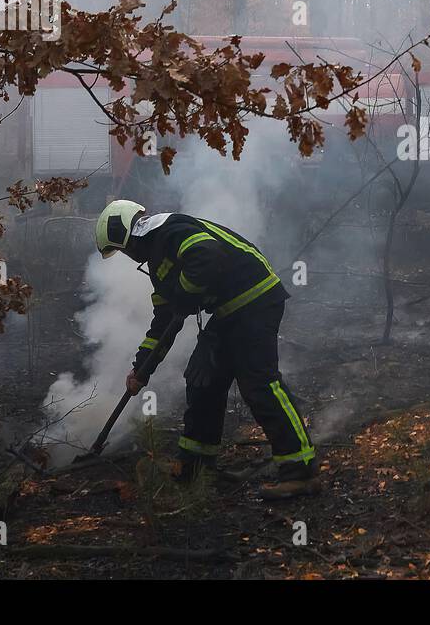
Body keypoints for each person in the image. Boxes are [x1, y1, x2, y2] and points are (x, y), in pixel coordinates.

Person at [94, 200, 319, 498]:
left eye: (122, 249)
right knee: (203, 380)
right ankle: (196, 468)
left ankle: (300, 471)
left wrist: (186, 295)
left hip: (255, 299)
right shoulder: (158, 265)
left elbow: (207, 256)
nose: (126, 255)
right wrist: (141, 369)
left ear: (128, 236)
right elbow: (162, 324)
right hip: (228, 312)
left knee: (260, 384)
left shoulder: (170, 230)